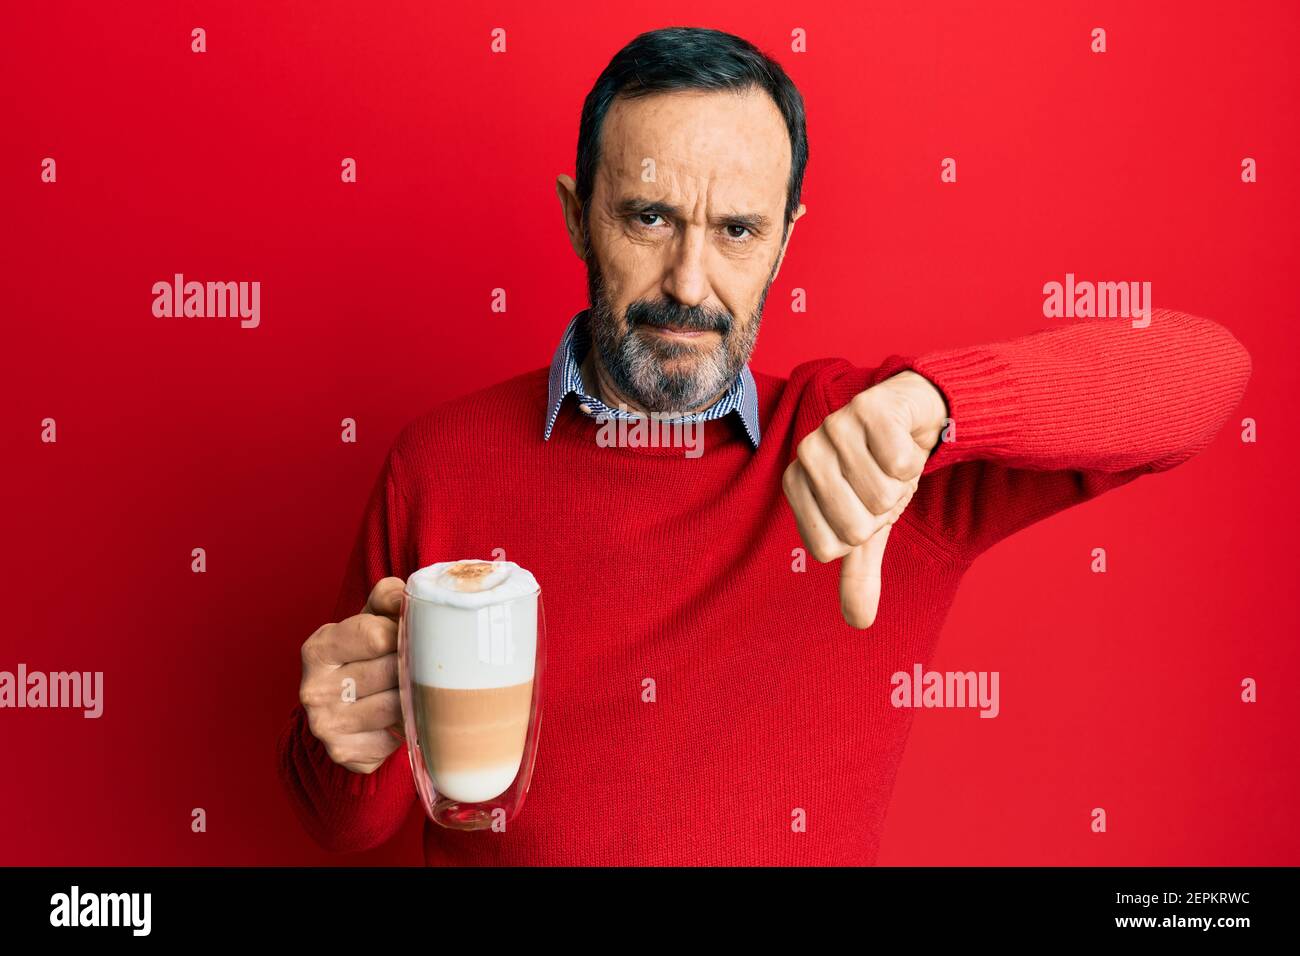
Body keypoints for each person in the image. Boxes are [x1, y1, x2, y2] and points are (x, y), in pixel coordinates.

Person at [278, 26, 1252, 865]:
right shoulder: (437, 461)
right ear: (579, 216)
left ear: (784, 241)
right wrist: (344, 741)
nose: (689, 283)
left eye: (737, 230)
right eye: (648, 217)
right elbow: (341, 826)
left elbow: (1205, 374)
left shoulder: (867, 451)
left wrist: (941, 401)